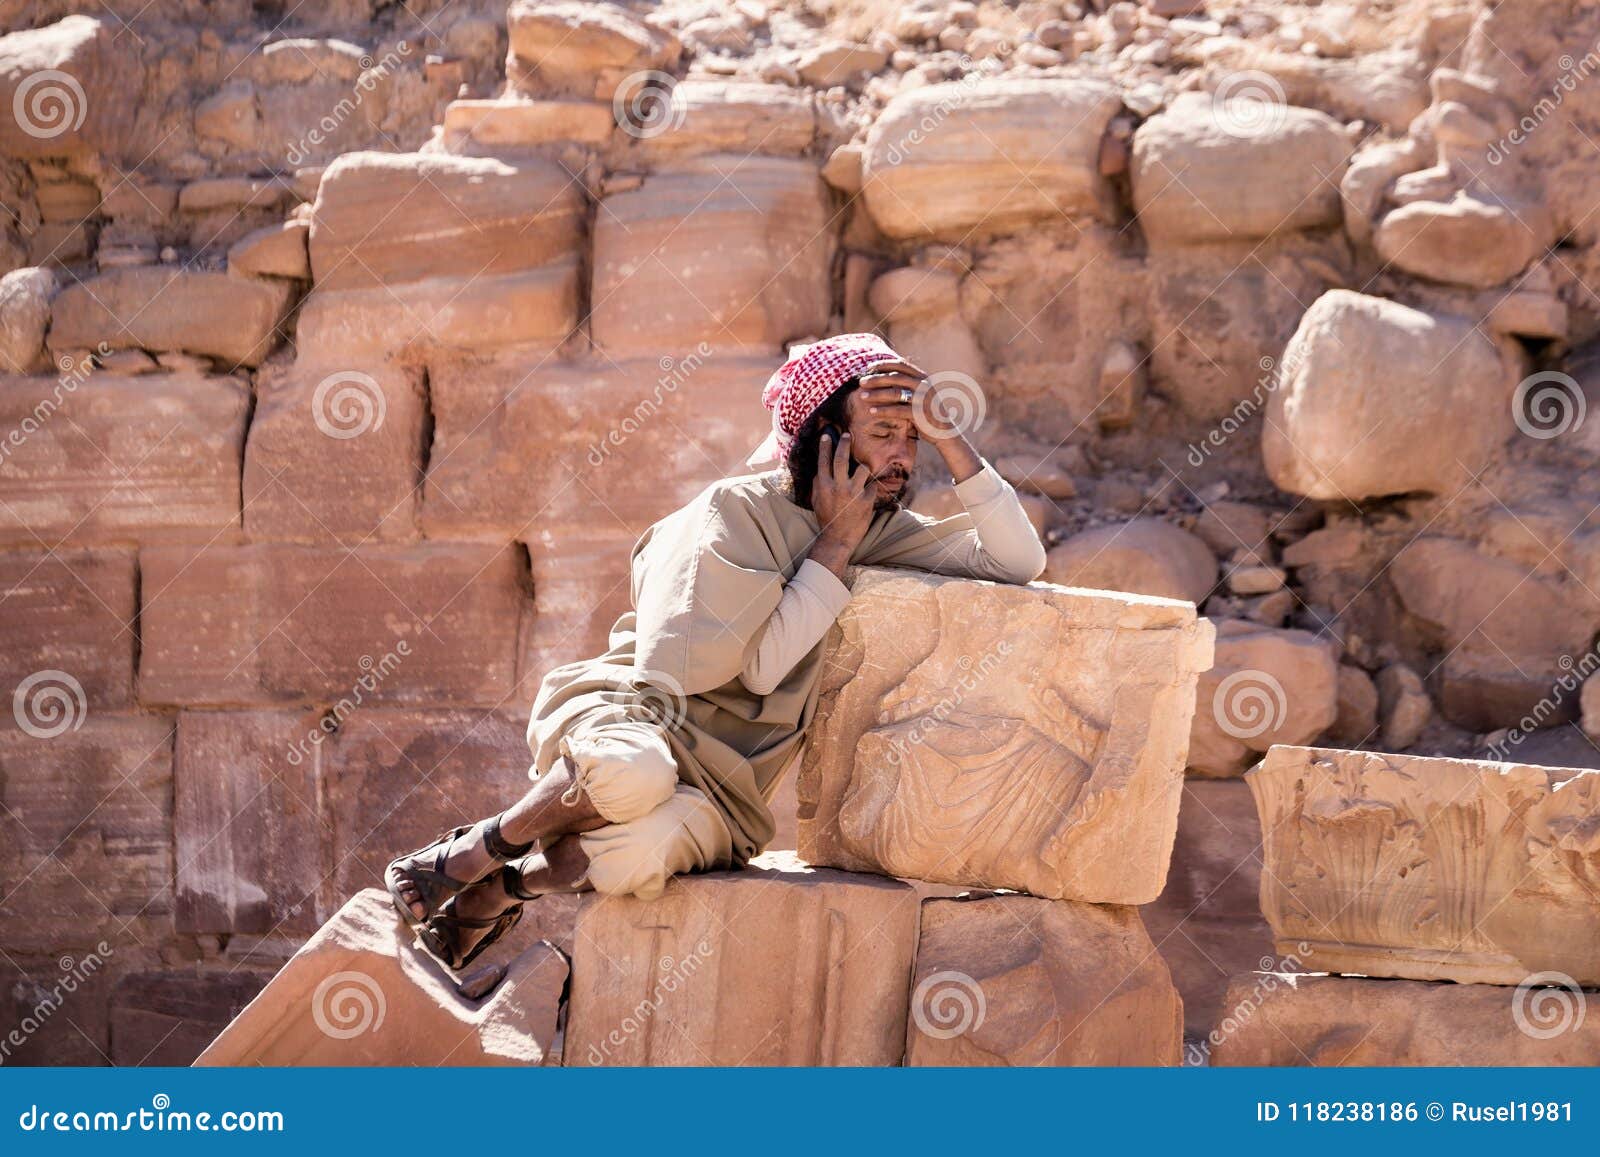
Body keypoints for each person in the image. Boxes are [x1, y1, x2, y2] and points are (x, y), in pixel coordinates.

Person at [385, 333, 1047, 969]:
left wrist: (950, 438)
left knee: (634, 855)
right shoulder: (728, 515)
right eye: (884, 433)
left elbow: (1018, 560)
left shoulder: (876, 528)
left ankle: (500, 891)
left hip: (728, 790)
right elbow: (756, 672)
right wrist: (835, 547)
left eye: (913, 436)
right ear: (827, 440)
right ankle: (475, 849)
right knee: (634, 774)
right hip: (639, 722)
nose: (904, 454)